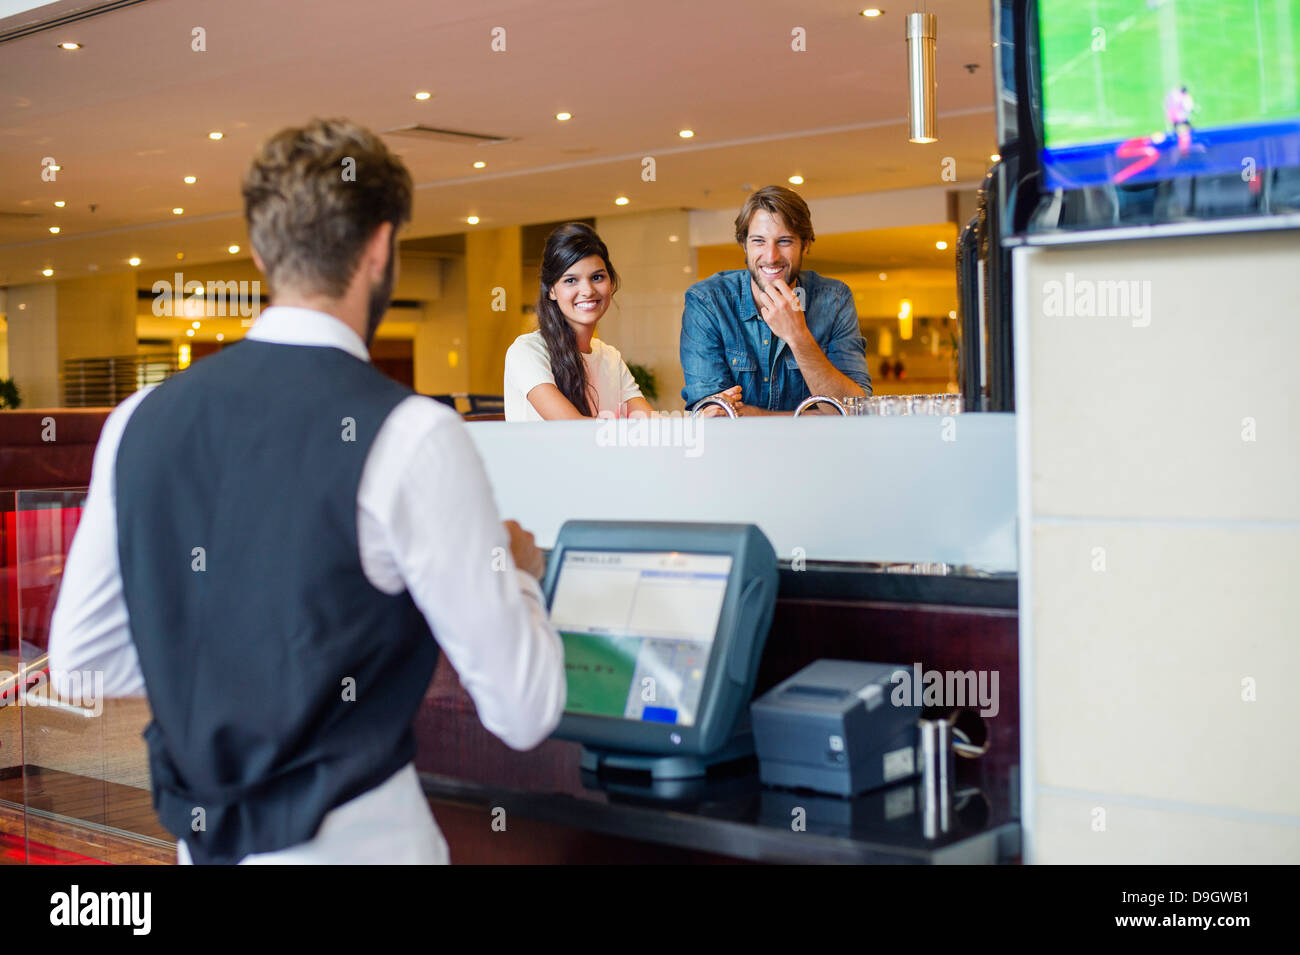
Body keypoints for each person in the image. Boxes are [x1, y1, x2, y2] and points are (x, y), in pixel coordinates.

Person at [47, 118, 566, 865]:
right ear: (381, 245)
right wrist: (518, 573)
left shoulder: (137, 421)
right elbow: (523, 709)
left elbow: (83, 662)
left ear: (262, 252)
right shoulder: (412, 433)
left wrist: (232, 663)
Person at [680, 185, 871, 416]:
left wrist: (798, 336)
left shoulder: (834, 299)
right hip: (735, 452)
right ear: (744, 244)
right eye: (759, 241)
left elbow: (856, 410)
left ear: (806, 244)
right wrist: (814, 415)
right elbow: (712, 414)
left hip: (817, 451)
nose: (771, 257)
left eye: (784, 241)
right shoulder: (707, 301)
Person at [504, 223, 664, 421]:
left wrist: (698, 420)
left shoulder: (610, 357)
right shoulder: (527, 351)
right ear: (551, 290)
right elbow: (575, 429)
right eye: (571, 280)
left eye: (597, 277)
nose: (587, 290)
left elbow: (652, 422)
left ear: (611, 282)